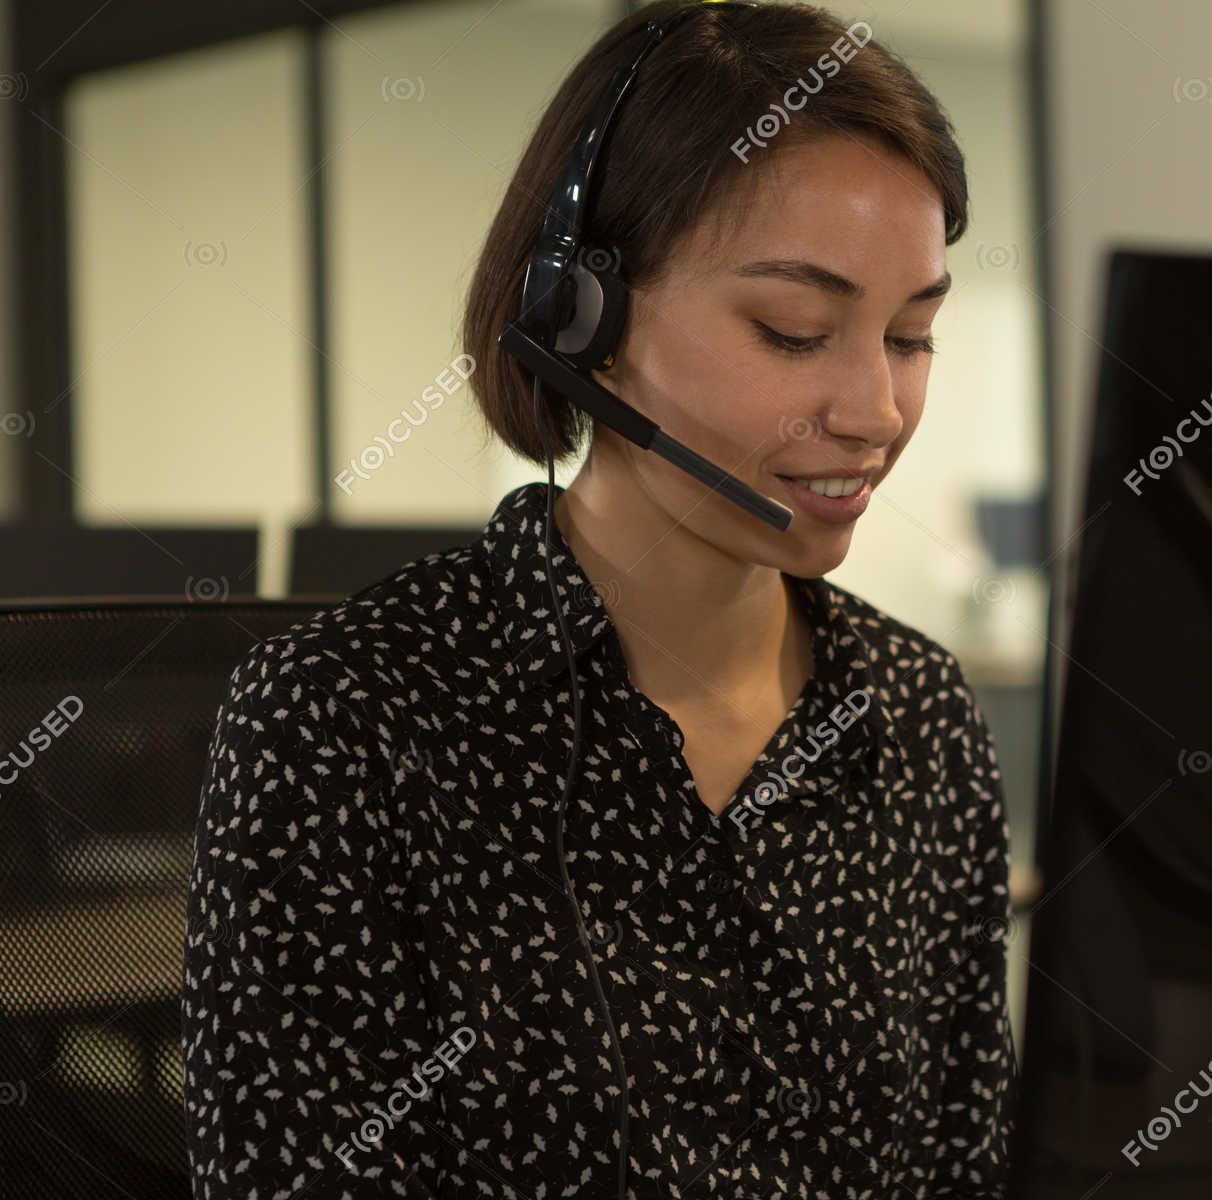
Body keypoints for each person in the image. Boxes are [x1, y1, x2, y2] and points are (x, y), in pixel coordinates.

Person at [179, 2, 1015, 1197]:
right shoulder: (347, 716)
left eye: (911, 335)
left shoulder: (918, 711)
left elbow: (963, 1163)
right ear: (582, 318)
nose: (876, 411)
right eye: (795, 333)